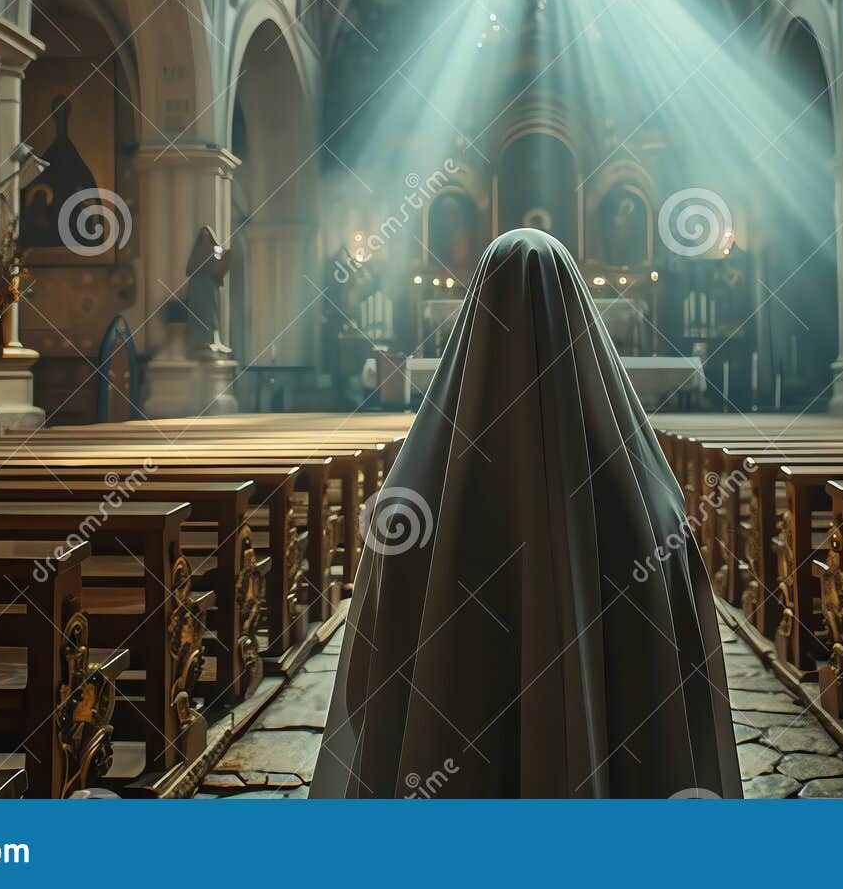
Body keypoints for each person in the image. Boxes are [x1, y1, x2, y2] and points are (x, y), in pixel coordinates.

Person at [315, 228, 741, 798]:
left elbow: (376, 664)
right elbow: (680, 664)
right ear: (580, 315)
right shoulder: (646, 495)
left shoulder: (420, 488)